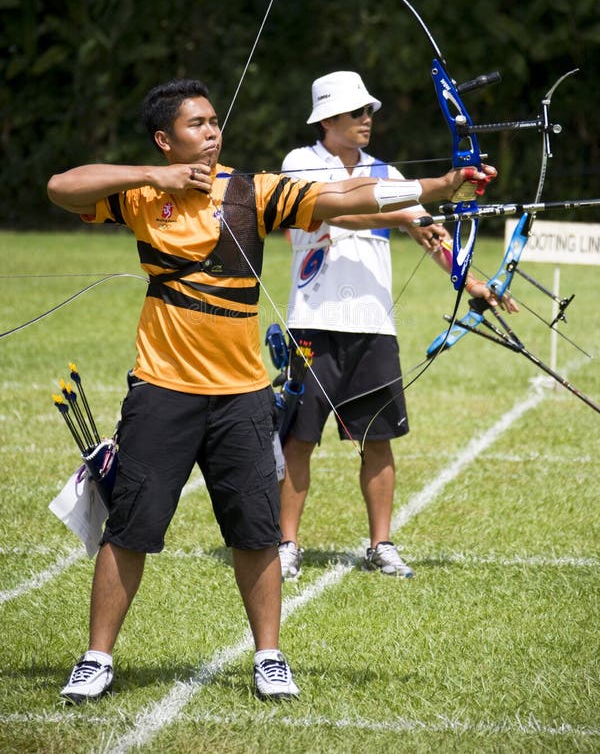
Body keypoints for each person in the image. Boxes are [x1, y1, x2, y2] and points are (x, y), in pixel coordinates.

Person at [47, 77, 497, 705]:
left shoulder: (251, 191)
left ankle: (269, 656)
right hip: (161, 387)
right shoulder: (141, 194)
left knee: (257, 533)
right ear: (164, 139)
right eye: (195, 125)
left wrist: (438, 187)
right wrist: (159, 177)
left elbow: (345, 195)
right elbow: (61, 188)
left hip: (241, 394)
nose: (211, 132)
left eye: (213, 122)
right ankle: (97, 658)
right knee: (129, 527)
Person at [277, 71, 517, 581]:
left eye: (369, 111)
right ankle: (286, 545)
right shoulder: (299, 164)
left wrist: (470, 280)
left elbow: (430, 232)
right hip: (313, 321)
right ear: (329, 118)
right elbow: (331, 210)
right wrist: (405, 213)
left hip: (372, 324)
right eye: (357, 112)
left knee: (378, 439)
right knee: (299, 439)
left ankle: (380, 544)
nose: (368, 119)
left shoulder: (385, 173)